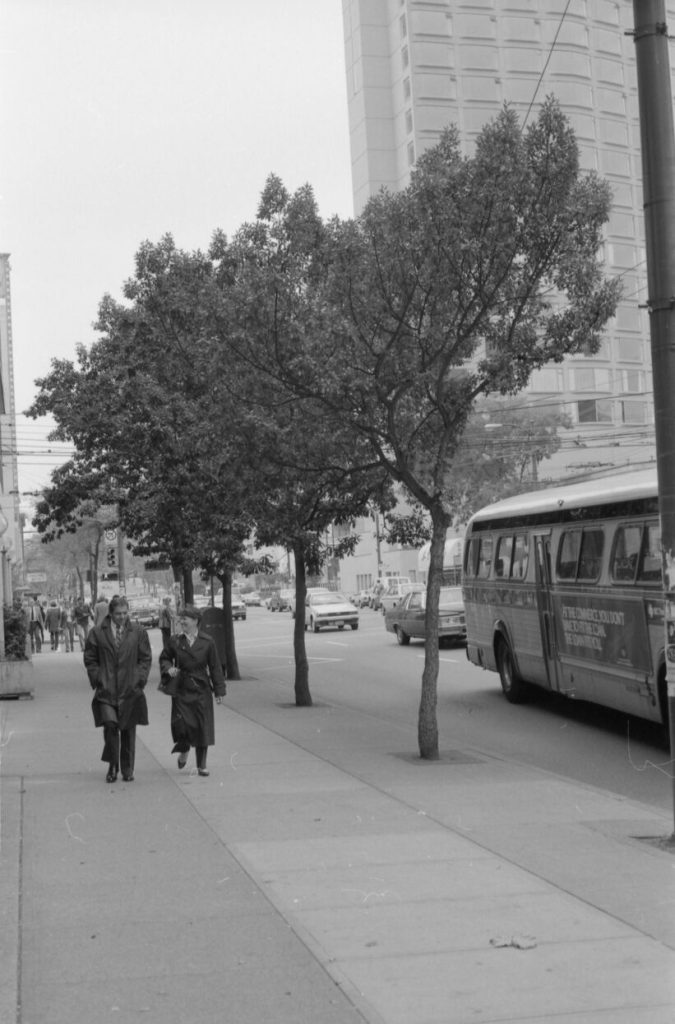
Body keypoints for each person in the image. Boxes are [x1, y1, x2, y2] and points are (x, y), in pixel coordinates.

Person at [84, 594, 152, 783]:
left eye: (125, 613)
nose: (122, 617)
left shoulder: (138, 632)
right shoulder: (97, 632)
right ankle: (113, 765)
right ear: (110, 613)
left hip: (130, 689)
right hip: (106, 690)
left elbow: (145, 658)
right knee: (110, 726)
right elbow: (90, 658)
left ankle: (128, 769)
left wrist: (139, 679)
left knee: (129, 730)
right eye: (118, 614)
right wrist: (98, 678)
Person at [159, 605, 225, 777]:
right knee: (182, 725)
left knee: (203, 726)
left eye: (185, 619)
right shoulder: (175, 640)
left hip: (201, 688)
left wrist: (219, 691)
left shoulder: (207, 641)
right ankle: (184, 749)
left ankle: (201, 765)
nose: (181, 622)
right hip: (181, 687)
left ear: (196, 621)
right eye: (180, 619)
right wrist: (168, 668)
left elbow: (215, 667)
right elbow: (164, 657)